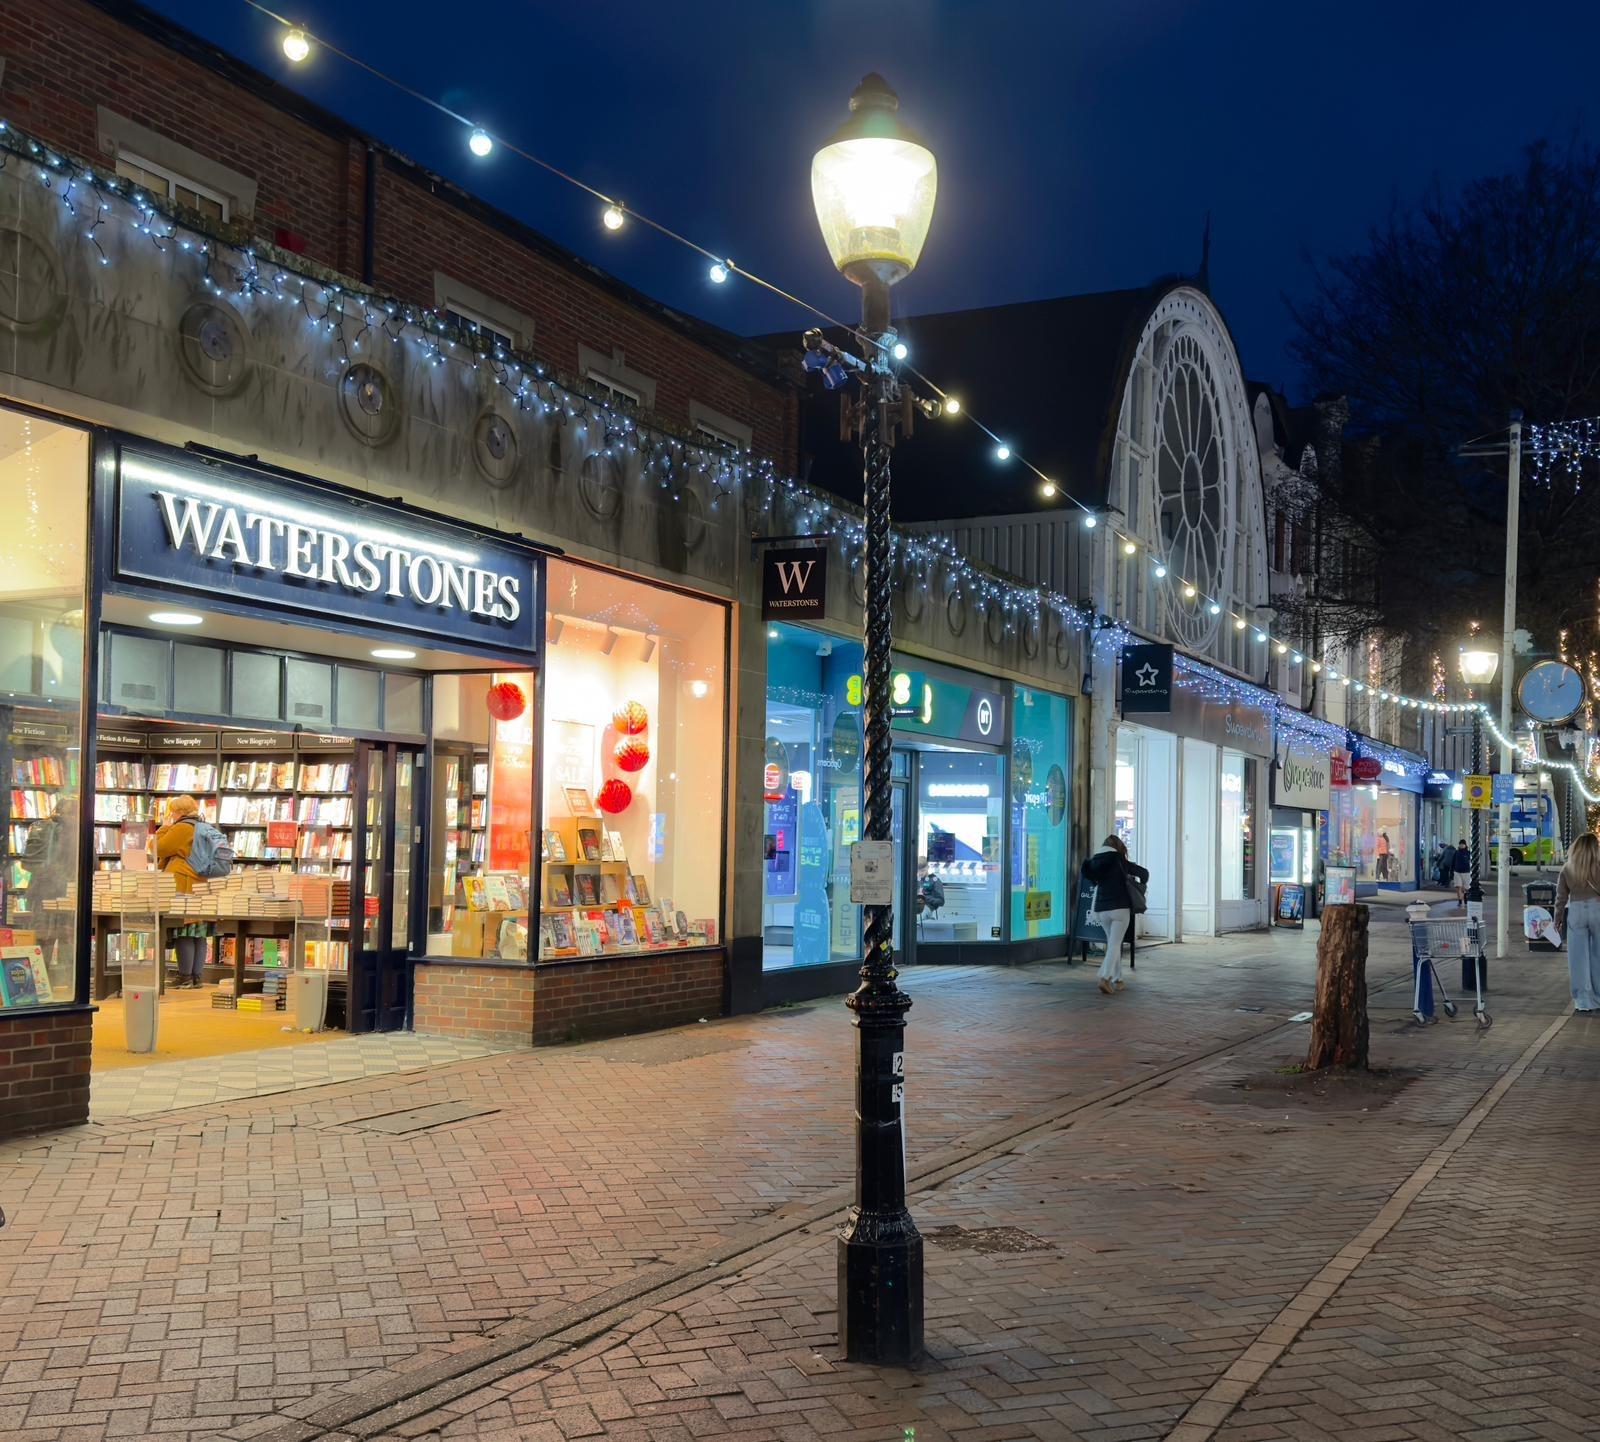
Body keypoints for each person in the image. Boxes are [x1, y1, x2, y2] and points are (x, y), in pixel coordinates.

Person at [155, 795, 211, 988]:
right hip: (202, 884)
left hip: (184, 884)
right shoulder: (203, 826)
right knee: (199, 933)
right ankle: (196, 977)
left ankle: (184, 976)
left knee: (184, 931)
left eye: (173, 811)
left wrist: (164, 827)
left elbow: (159, 848)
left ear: (179, 812)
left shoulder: (182, 827)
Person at [1082, 834, 1149, 996]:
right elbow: (1143, 873)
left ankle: (1118, 979)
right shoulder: (1118, 859)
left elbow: (1092, 880)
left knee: (1113, 943)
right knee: (1114, 944)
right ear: (1118, 847)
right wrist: (1139, 884)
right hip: (1120, 908)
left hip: (1101, 910)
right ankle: (1105, 977)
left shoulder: (1093, 862)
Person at [1556, 832, 1600, 1012]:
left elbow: (1561, 897)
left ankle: (1582, 1000)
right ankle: (1598, 997)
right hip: (1597, 909)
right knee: (1598, 955)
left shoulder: (1568, 868)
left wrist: (1557, 917)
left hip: (1575, 910)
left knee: (1577, 957)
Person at [1452, 837, 1472, 907]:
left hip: (1466, 872)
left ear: (1465, 845)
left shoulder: (1468, 853)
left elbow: (1472, 862)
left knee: (1465, 888)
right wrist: (1451, 871)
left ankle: (1465, 899)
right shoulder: (1456, 852)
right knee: (1458, 886)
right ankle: (1460, 900)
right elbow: (1453, 862)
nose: (1461, 845)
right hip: (1457, 872)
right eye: (1460, 844)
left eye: (1463, 844)